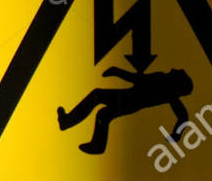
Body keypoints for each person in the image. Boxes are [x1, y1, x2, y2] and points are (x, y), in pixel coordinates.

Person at [58, 66, 193, 154]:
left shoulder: (164, 86)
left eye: (179, 72)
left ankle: (75, 128)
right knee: (102, 110)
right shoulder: (166, 87)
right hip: (129, 98)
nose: (175, 69)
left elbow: (137, 79)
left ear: (177, 82)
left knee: (100, 104)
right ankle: (92, 141)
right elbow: (183, 116)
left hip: (129, 100)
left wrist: (117, 71)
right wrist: (176, 135)